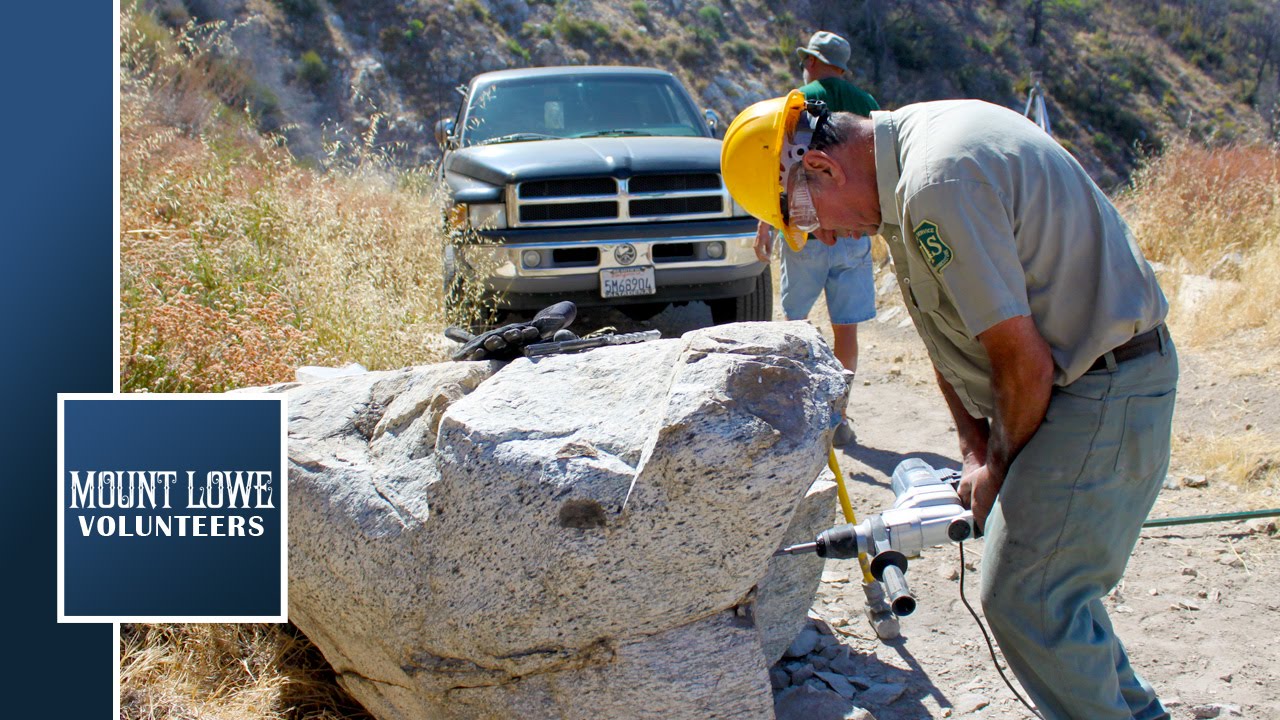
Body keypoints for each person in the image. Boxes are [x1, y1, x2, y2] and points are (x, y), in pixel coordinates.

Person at [721, 92, 1177, 720]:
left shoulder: (936, 183)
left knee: (1030, 598)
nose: (822, 235)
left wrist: (997, 468)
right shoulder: (901, 168)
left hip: (1104, 385)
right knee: (1054, 598)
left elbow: (1024, 362)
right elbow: (944, 330)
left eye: (804, 216)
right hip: (1078, 384)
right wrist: (971, 449)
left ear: (822, 167)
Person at [755, 30, 879, 444]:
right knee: (846, 330)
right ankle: (838, 417)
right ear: (842, 67)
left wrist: (766, 222)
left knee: (796, 326)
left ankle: (800, 415)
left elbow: (777, 167)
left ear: (811, 61)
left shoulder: (796, 101)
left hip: (805, 231)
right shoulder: (866, 103)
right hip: (855, 230)